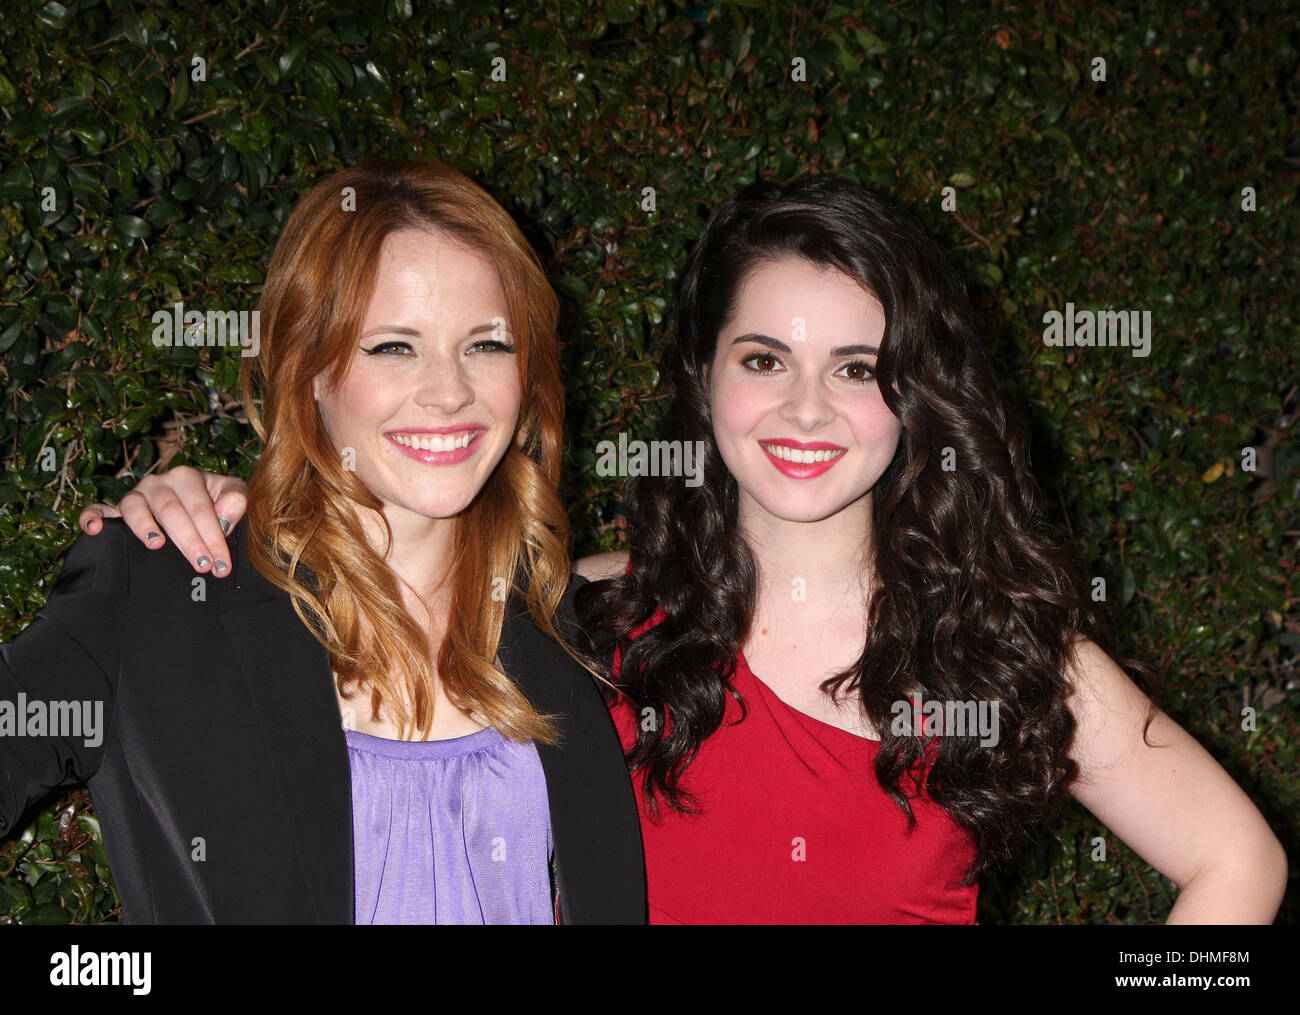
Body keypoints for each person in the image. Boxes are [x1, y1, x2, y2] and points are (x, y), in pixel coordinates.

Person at [80, 174, 1287, 924]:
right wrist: (209, 508)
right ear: (706, 383)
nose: (805, 412)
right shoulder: (582, 618)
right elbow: (364, 565)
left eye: (857, 370)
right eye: (763, 361)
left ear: (918, 397)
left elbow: (1237, 861)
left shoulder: (1010, 651)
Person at [3, 159, 645, 924]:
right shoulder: (162, 590)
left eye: (486, 344)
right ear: (308, 369)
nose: (449, 391)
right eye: (393, 347)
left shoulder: (572, 628)